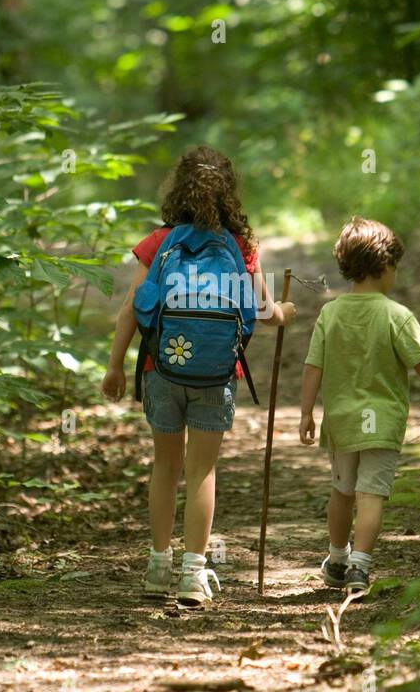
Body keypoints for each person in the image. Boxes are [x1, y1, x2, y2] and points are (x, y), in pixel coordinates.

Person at [102, 146, 295, 606]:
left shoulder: (159, 241)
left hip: (160, 368)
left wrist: (115, 366)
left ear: (179, 188)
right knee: (202, 469)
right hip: (215, 373)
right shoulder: (240, 245)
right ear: (229, 192)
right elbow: (266, 312)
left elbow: (133, 306)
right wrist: (285, 311)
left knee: (165, 467)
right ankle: (194, 573)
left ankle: (157, 566)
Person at [299, 217, 420, 592]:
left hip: (343, 422)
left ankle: (337, 558)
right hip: (381, 422)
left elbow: (313, 365)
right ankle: (359, 568)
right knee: (371, 494)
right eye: (395, 265)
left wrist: (306, 412)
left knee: (342, 491)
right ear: (384, 265)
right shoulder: (397, 315)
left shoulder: (330, 313)